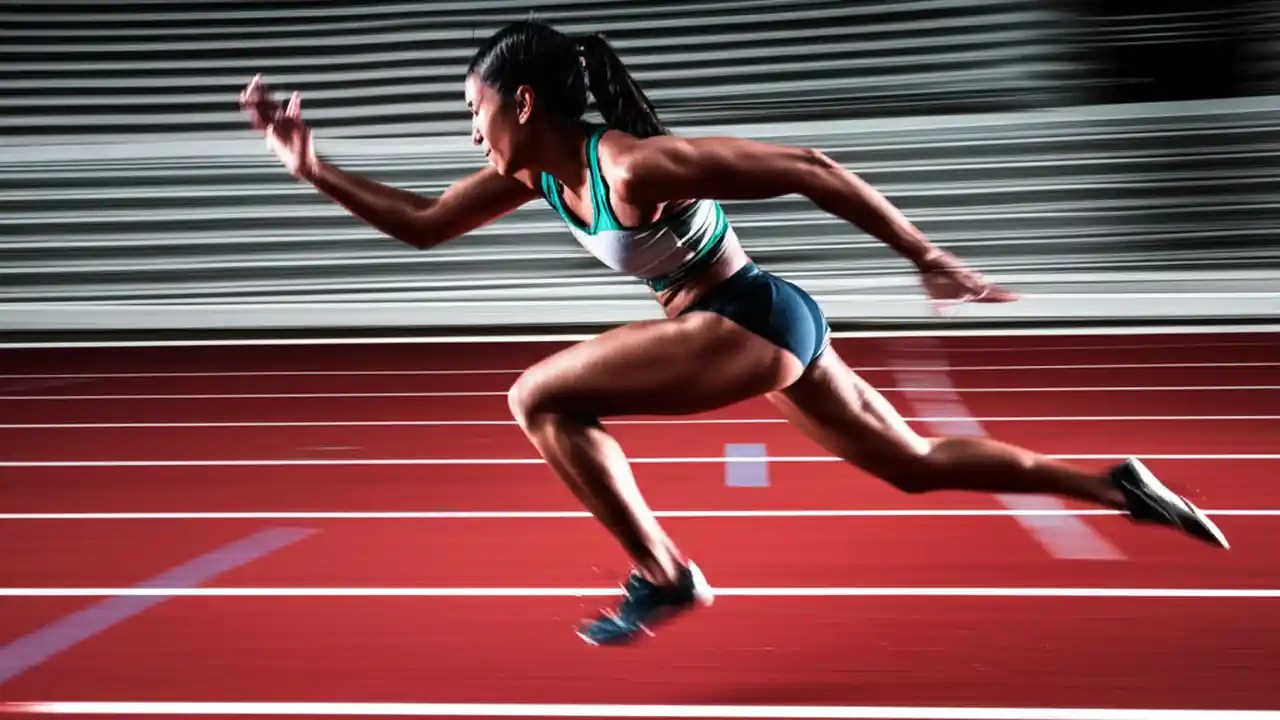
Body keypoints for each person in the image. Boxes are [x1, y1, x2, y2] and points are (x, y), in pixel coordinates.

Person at [239, 19, 1229, 646]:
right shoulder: (529, 174)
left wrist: (923, 255)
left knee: (537, 396)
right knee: (914, 462)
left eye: (473, 110)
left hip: (746, 314)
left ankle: (664, 575)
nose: (468, 131)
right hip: (757, 322)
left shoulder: (630, 164)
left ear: (522, 101)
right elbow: (419, 226)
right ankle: (1108, 483)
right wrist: (308, 166)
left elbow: (807, 163)